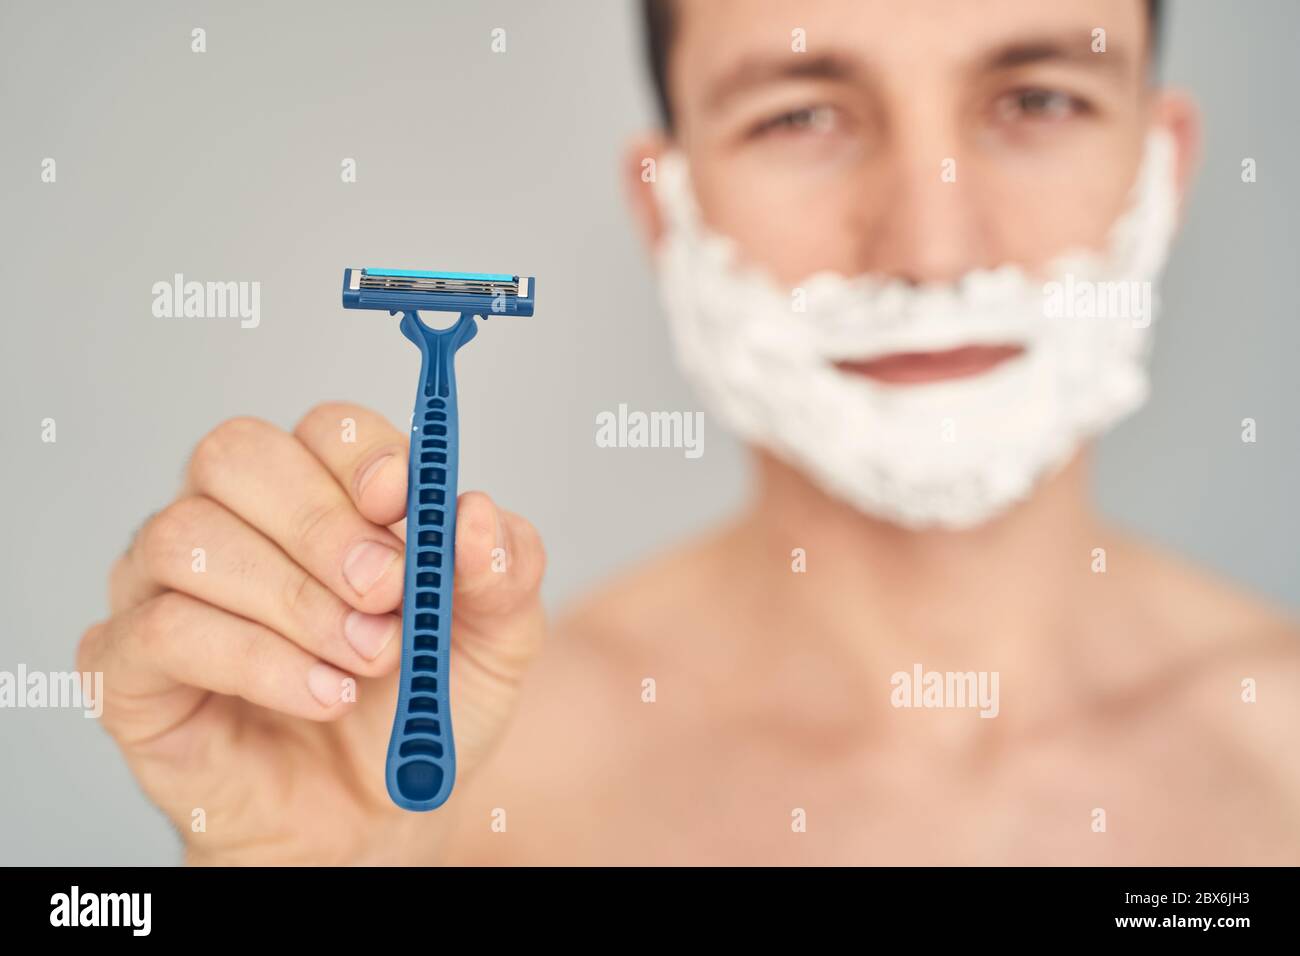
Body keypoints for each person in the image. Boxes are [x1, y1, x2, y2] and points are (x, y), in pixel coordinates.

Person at [80, 0, 1300, 864]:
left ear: (1162, 169)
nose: (934, 249)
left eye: (1036, 99)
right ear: (669, 212)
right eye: (800, 116)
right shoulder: (461, 785)